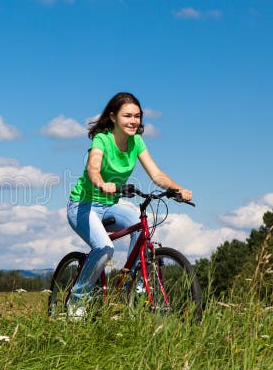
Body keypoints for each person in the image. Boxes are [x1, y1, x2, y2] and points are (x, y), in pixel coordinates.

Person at [66, 92, 192, 320]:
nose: (133, 121)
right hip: (83, 205)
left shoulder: (137, 142)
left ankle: (132, 285)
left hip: (110, 205)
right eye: (127, 116)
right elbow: (93, 167)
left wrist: (178, 189)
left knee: (142, 228)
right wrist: (102, 183)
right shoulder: (102, 139)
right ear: (113, 117)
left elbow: (156, 174)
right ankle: (77, 301)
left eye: (137, 116)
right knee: (104, 248)